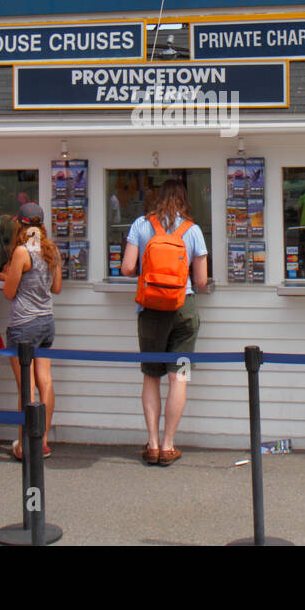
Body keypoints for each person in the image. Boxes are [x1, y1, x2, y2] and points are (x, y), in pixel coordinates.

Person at [119, 179, 208, 467]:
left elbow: (128, 268)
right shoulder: (192, 230)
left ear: (157, 198)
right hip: (184, 311)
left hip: (151, 312)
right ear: (185, 199)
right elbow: (202, 281)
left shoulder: (141, 225)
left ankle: (153, 445)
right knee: (179, 376)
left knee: (151, 376)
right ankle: (170, 445)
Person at [0, 203, 62, 460]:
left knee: (27, 387)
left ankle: (26, 444)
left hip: (23, 325)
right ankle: (43, 441)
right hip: (46, 321)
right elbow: (56, 287)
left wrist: (6, 276)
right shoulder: (52, 250)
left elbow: (9, 292)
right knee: (45, 381)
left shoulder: (22, 252)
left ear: (21, 225)